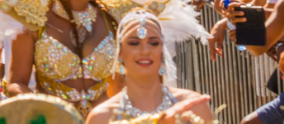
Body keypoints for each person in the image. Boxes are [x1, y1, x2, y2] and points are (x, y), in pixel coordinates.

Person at [84, 10, 214, 124]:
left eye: (153, 43)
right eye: (134, 43)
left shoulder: (192, 106)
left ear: (162, 52)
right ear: (120, 53)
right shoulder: (102, 117)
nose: (145, 51)